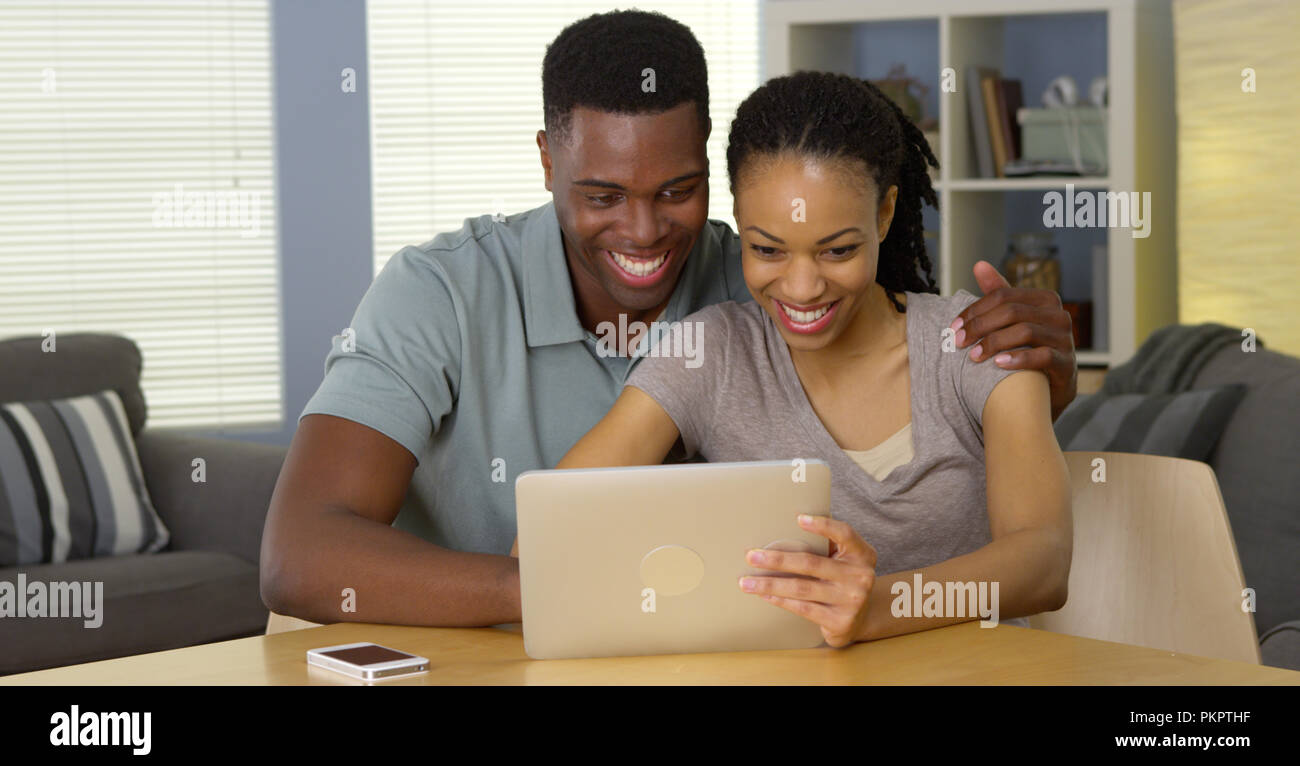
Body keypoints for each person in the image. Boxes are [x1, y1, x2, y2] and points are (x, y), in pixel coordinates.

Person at [260, 10, 1078, 628]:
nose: (645, 232)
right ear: (548, 160)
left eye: (676, 191)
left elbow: (990, 476)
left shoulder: (756, 283)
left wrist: (1049, 382)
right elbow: (301, 551)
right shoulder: (442, 292)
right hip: (485, 653)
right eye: (603, 195)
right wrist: (553, 590)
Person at [518, 71, 1072, 647]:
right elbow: (543, 538)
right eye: (766, 249)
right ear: (736, 219)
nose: (803, 288)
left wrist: (879, 605)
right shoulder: (708, 357)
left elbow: (1044, 561)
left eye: (838, 250)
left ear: (884, 215)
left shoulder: (980, 342)